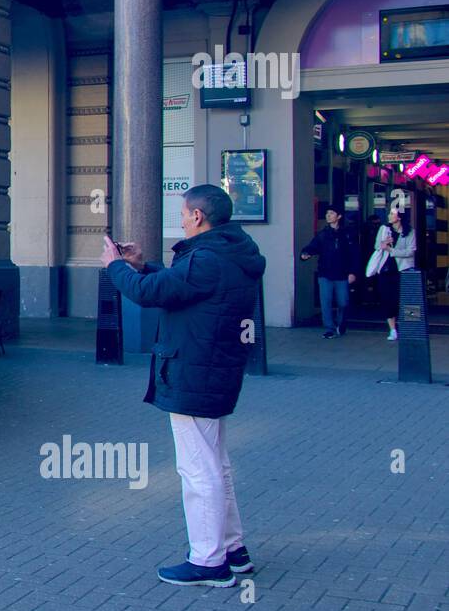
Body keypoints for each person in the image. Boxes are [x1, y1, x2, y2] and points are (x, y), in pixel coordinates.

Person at [101, 184, 266, 588]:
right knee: (216, 463)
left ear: (197, 217)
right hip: (213, 369)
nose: (180, 218)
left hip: (195, 371)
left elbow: (148, 294)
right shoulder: (229, 253)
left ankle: (209, 561)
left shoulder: (207, 258)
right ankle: (233, 550)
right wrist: (140, 265)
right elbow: (180, 287)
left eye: (182, 212)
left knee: (198, 468)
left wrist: (115, 266)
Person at [299, 205, 360, 338]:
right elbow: (312, 247)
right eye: (327, 213)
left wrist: (353, 272)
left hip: (342, 274)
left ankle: (341, 322)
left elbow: (355, 254)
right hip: (325, 273)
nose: (328, 215)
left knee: (343, 302)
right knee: (325, 302)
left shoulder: (347, 234)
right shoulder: (322, 234)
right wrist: (305, 253)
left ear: (338, 216)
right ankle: (329, 329)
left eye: (331, 213)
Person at [377, 206, 416, 341]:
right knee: (388, 300)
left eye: (392, 213)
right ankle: (392, 329)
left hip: (404, 269)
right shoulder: (384, 229)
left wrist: (392, 250)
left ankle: (412, 328)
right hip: (386, 270)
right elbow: (377, 248)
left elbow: (410, 251)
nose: (389, 215)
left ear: (399, 217)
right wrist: (384, 244)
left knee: (408, 299)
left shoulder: (410, 232)